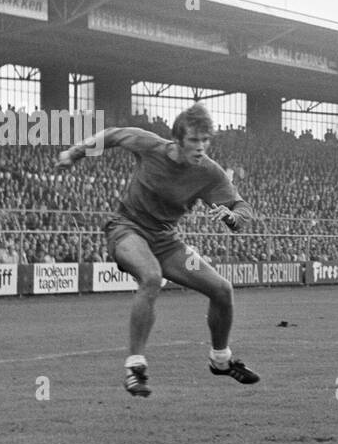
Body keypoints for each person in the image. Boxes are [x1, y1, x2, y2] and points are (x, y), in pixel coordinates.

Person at [55, 103, 260, 396]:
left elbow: (241, 206)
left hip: (166, 241)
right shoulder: (150, 145)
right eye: (194, 140)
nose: (201, 147)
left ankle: (221, 360)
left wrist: (234, 218)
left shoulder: (209, 172)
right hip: (127, 228)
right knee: (151, 277)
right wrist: (74, 153)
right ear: (178, 139)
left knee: (222, 290)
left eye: (205, 140)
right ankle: (135, 368)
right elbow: (113, 134)